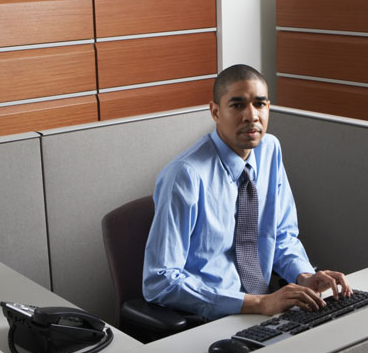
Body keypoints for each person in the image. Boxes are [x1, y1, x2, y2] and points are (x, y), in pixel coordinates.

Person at [142, 64, 351, 320]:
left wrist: (304, 276)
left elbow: (281, 236)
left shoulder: (269, 150)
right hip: (210, 317)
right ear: (215, 112)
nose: (251, 116)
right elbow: (160, 280)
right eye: (237, 105)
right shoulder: (184, 175)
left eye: (260, 104)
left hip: (264, 308)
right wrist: (257, 303)